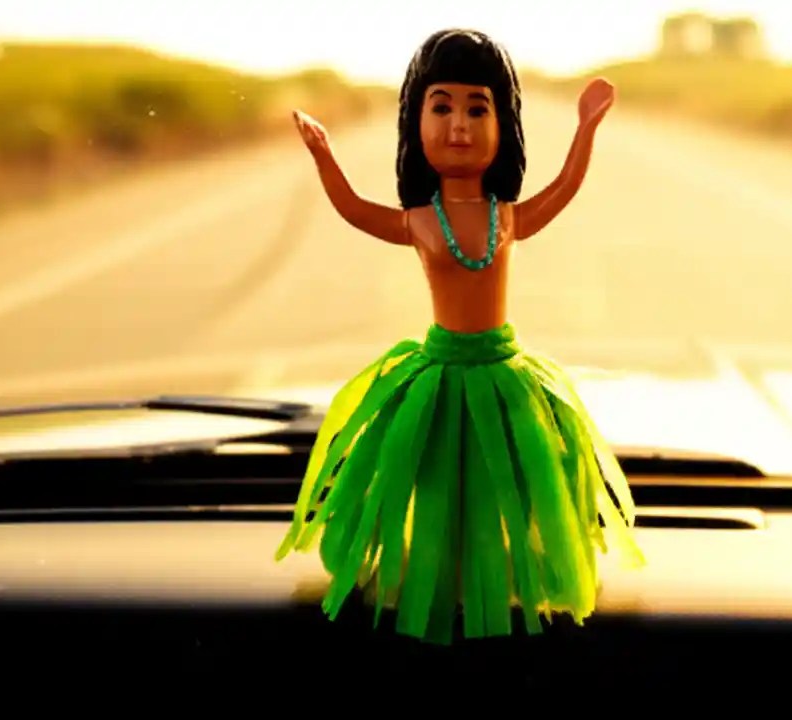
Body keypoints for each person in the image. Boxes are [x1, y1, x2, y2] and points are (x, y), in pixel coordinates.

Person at [275, 27, 643, 645]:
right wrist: (323, 155)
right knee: (432, 481)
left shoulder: (506, 216)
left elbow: (565, 188)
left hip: (505, 375)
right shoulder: (420, 220)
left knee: (519, 484)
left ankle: (505, 571)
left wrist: (586, 128)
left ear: (506, 125)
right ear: (413, 121)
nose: (459, 126)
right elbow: (355, 210)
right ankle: (435, 576)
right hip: (438, 376)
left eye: (478, 107)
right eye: (440, 106)